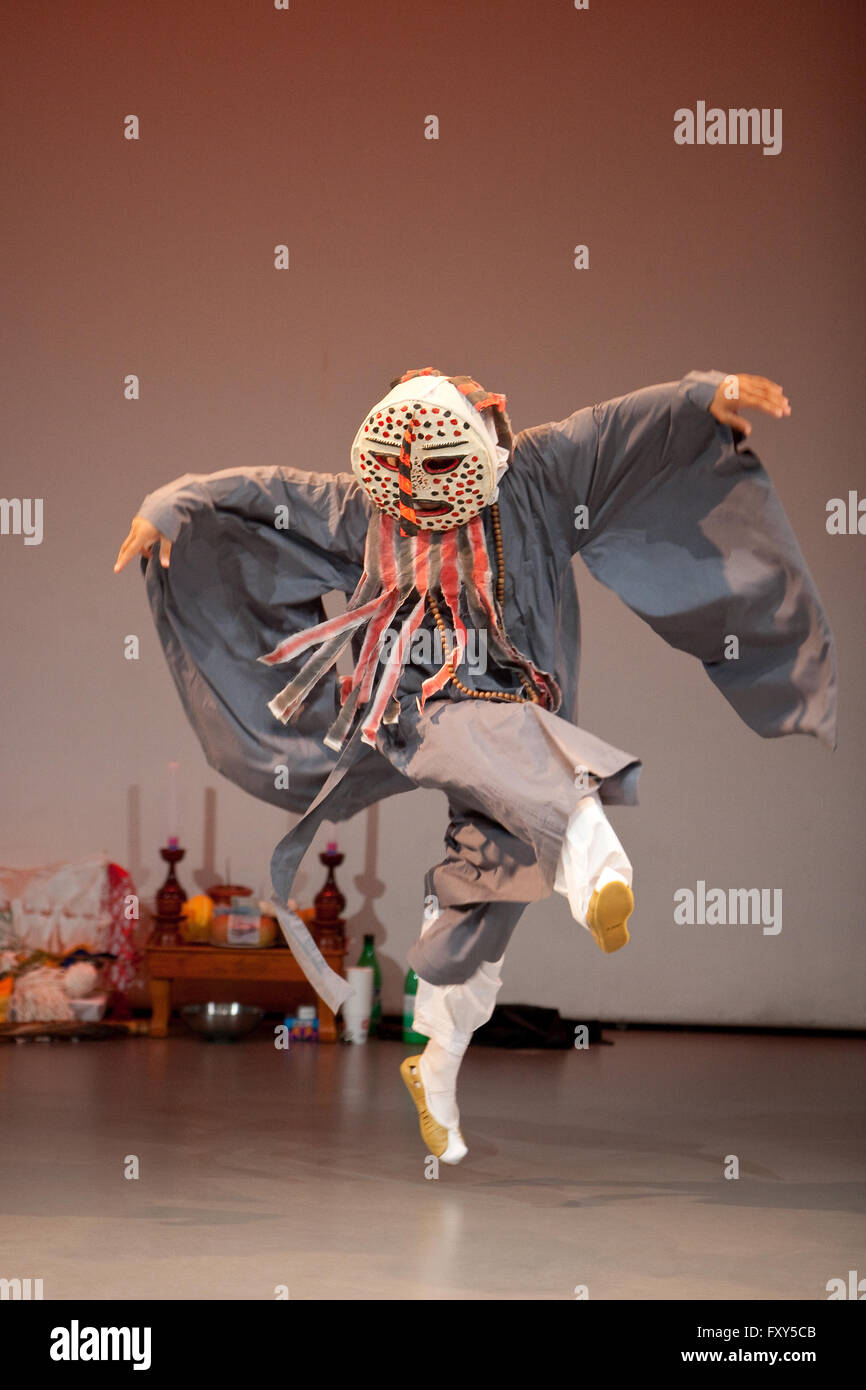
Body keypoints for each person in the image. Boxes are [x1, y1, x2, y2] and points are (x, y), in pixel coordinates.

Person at [115, 367, 836, 1165]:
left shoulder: (540, 474)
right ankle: (592, 857)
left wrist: (707, 393)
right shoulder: (368, 503)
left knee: (487, 896)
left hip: (525, 712)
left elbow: (622, 424)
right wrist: (169, 506)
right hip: (419, 709)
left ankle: (438, 1066)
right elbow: (258, 490)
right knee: (534, 764)